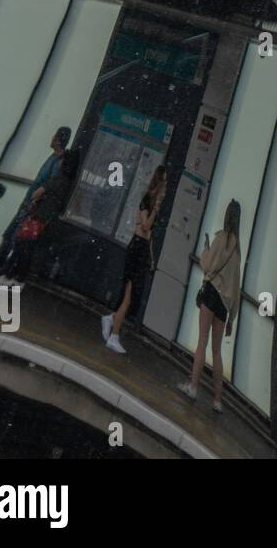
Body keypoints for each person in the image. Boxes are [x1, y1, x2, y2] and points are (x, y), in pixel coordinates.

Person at [0, 126, 70, 278]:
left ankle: (2, 268)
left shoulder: (58, 160)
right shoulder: (53, 157)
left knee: (15, 236)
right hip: (29, 203)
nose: (51, 138)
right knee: (10, 235)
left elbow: (49, 184)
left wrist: (34, 202)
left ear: (58, 140)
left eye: (54, 136)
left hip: (31, 205)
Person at [177, 200, 242, 413]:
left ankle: (193, 387)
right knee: (216, 352)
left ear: (226, 216)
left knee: (201, 342)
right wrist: (231, 318)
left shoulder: (220, 238)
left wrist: (206, 248)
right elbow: (236, 288)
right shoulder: (237, 251)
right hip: (224, 306)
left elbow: (208, 265)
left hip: (211, 294)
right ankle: (217, 400)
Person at [0, 149, 79, 285]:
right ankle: (18, 279)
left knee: (21, 245)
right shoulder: (69, 183)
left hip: (37, 217)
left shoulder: (56, 179)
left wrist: (37, 199)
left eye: (62, 160)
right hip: (47, 219)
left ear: (64, 162)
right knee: (28, 248)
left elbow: (36, 194)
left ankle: (10, 276)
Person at [103, 165, 167, 354]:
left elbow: (151, 235)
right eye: (164, 184)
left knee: (133, 297)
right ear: (159, 184)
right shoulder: (148, 200)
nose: (166, 190)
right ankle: (114, 335)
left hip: (143, 249)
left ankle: (112, 319)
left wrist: (152, 257)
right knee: (129, 296)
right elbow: (146, 227)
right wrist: (155, 210)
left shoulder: (153, 202)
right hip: (137, 247)